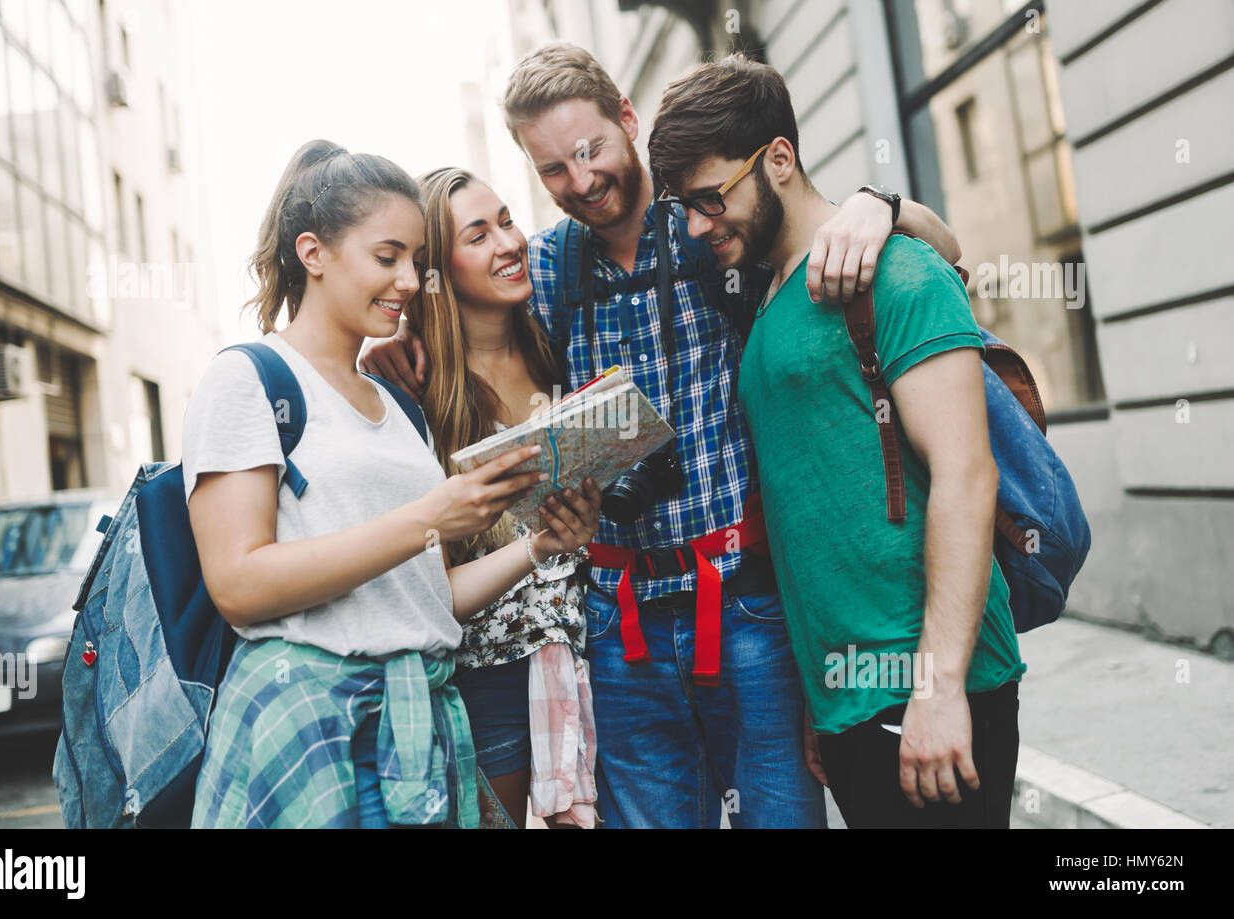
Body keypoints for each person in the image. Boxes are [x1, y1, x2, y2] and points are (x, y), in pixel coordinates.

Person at [362, 42, 962, 829]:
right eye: (551, 171)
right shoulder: (542, 270)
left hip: (749, 606)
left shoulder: (716, 224)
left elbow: (938, 250)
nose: (579, 182)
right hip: (622, 630)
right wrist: (394, 341)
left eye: (590, 150)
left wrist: (877, 206)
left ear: (627, 120)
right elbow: (453, 296)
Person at [648, 54, 1025, 828]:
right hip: (851, 696)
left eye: (710, 198)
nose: (696, 225)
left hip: (924, 683)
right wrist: (826, 705)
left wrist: (939, 685)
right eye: (684, 206)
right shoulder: (772, 291)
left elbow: (966, 475)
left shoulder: (894, 269)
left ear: (778, 159)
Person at [184, 140, 600, 829]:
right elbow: (238, 582)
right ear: (313, 253)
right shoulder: (248, 378)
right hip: (314, 727)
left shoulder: (397, 402)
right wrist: (430, 515)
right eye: (387, 258)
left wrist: (539, 546)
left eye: (415, 260)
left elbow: (426, 600)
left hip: (421, 729)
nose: (409, 280)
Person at [409, 165, 599, 828]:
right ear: (436, 269)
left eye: (508, 220)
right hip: (489, 677)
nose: (508, 242)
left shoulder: (556, 347)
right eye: (479, 233)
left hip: (587, 652)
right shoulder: (420, 396)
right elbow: (428, 579)